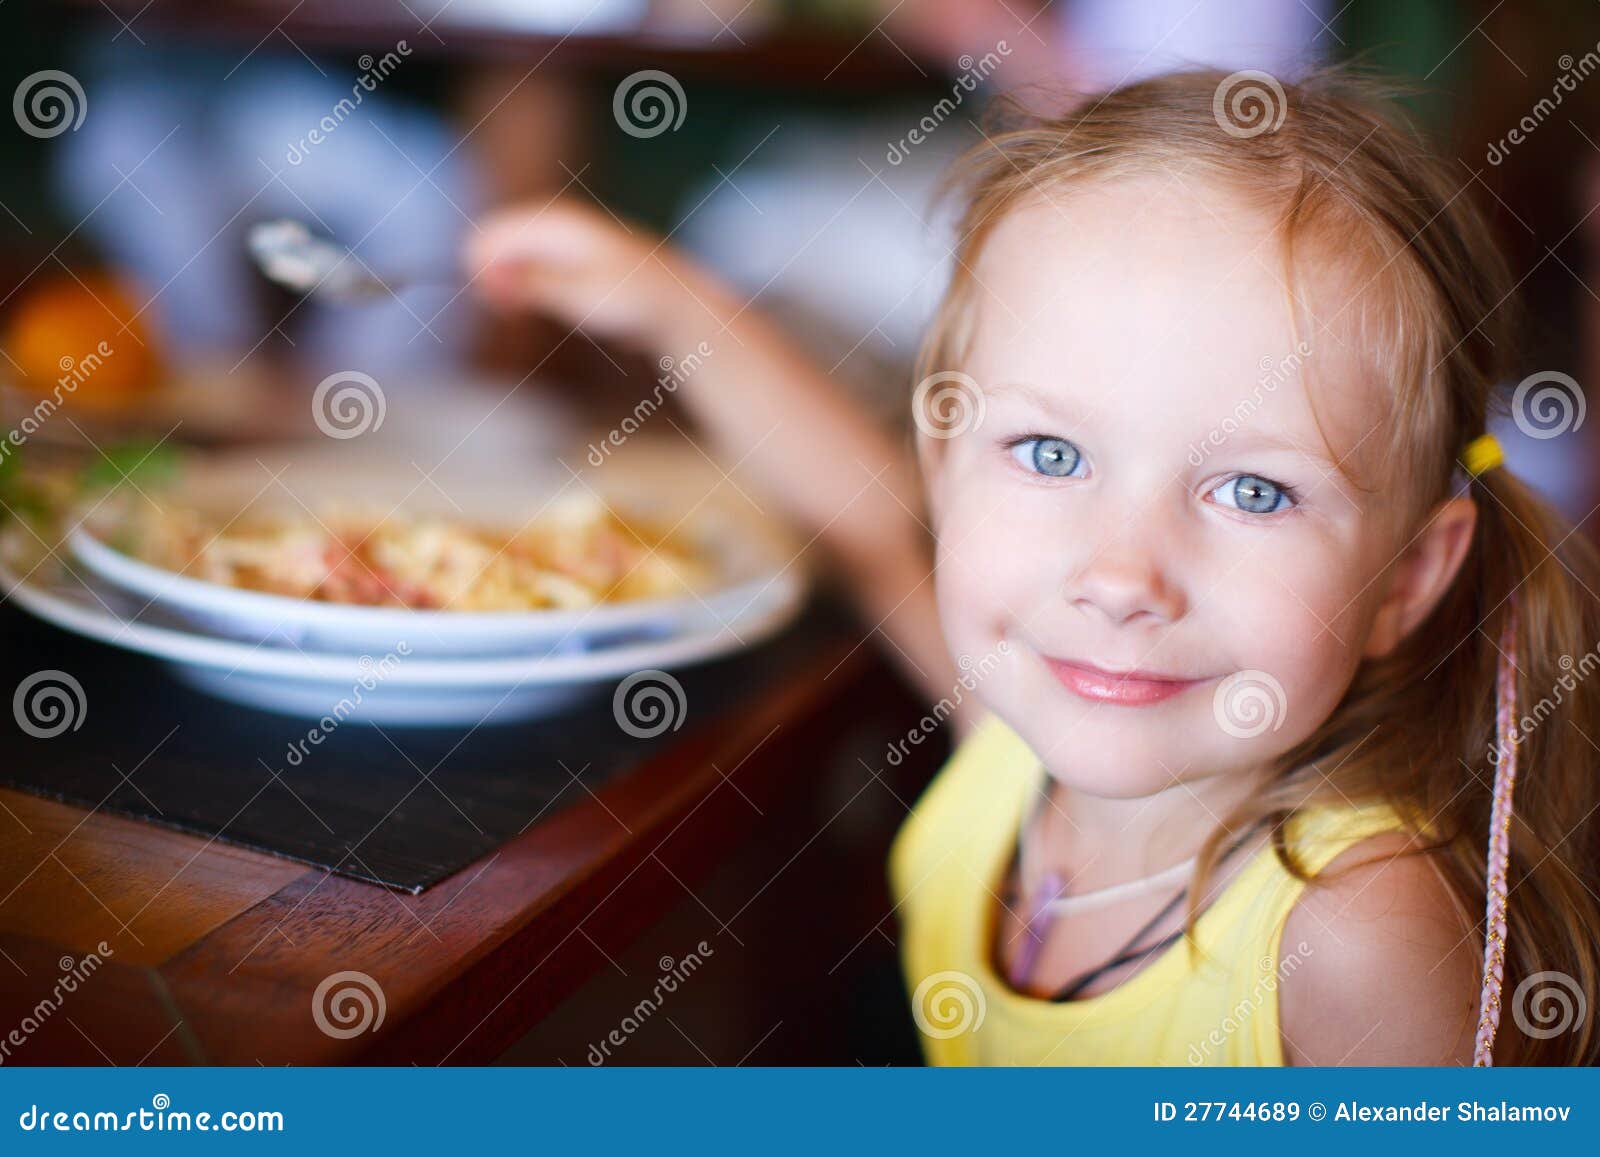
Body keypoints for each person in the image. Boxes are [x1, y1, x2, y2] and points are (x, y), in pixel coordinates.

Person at [465, 66, 1600, 1066]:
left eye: (1254, 490)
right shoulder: (1008, 750)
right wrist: (675, 307)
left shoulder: (1356, 932)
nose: (1119, 576)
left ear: (1407, 577)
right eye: (1049, 452)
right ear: (948, 466)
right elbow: (863, 518)